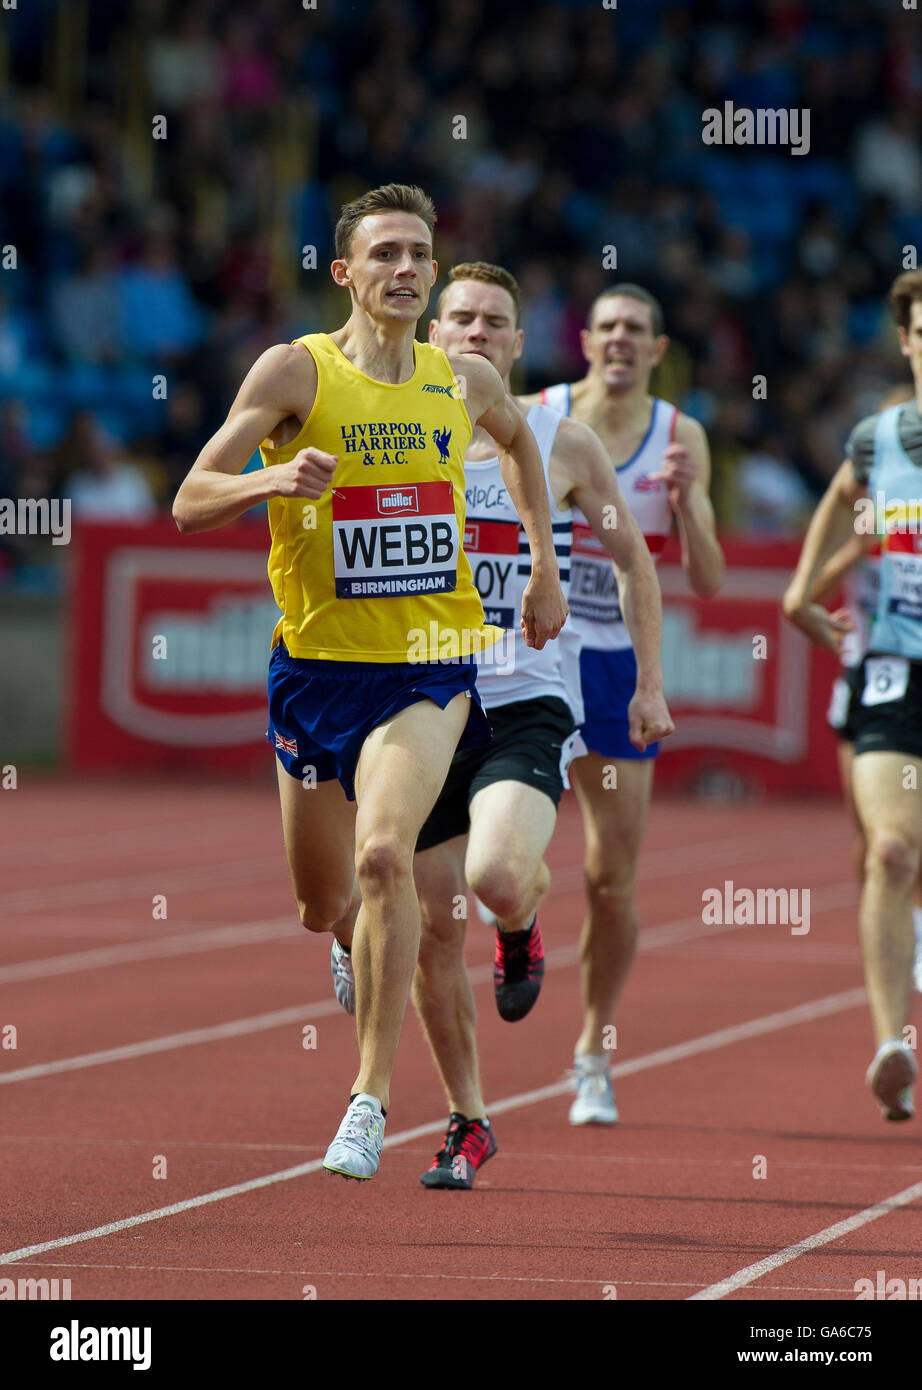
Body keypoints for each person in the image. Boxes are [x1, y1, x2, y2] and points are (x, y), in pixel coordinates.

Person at [171, 184, 567, 1179]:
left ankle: (368, 1100)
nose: (404, 268)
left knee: (389, 857)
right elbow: (189, 498)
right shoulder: (296, 369)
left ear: (432, 272)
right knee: (322, 901)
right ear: (345, 271)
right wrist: (270, 478)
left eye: (419, 254)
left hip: (430, 664)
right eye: (384, 253)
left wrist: (543, 564)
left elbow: (520, 443)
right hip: (315, 671)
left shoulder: (460, 379)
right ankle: (346, 939)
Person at [401, 262, 672, 1187]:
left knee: (498, 879)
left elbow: (634, 562)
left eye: (496, 323)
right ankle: (465, 1122)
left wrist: (648, 684)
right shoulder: (390, 436)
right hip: (416, 701)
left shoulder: (563, 441)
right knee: (432, 930)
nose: (476, 334)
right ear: (435, 334)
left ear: (520, 345)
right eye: (462, 318)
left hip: (524, 698)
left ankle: (520, 927)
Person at [524, 285, 724, 1123]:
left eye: (635, 329)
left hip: (613, 667)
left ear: (658, 345)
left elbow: (708, 580)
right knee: (489, 850)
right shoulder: (535, 413)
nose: (618, 340)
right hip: (533, 651)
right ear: (584, 337)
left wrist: (688, 505)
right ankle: (514, 924)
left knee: (610, 880)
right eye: (606, 326)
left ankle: (592, 1050)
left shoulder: (680, 437)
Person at [784, 271, 922, 1120]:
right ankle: (891, 1043)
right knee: (890, 851)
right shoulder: (881, 440)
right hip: (894, 672)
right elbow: (846, 507)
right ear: (908, 340)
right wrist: (800, 594)